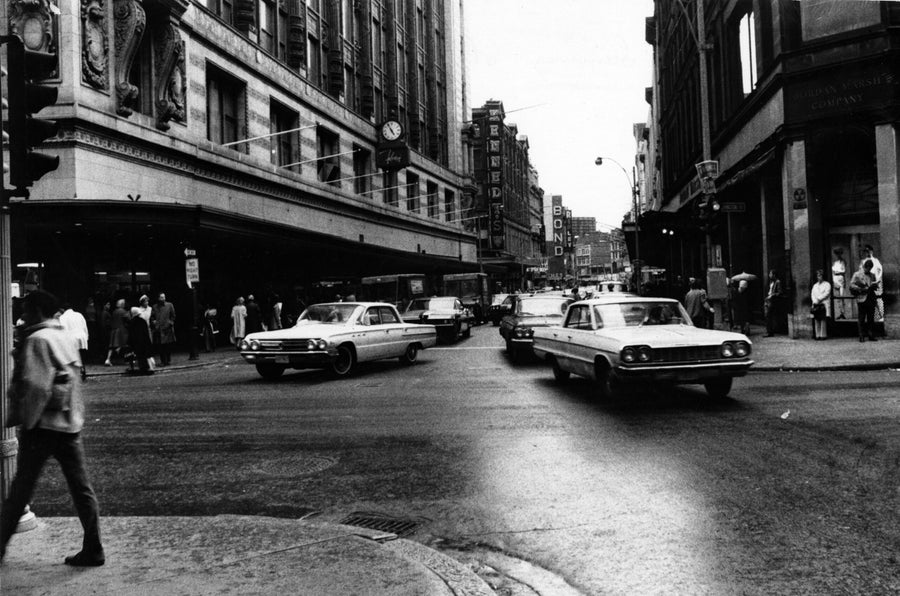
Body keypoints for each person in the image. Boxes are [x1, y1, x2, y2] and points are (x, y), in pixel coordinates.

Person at [1, 290, 105, 567]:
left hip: (43, 427)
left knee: (20, 491)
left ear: (36, 310)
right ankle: (94, 548)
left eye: (25, 310)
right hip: (69, 425)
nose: (22, 316)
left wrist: (27, 421)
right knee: (82, 489)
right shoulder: (64, 336)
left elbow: (37, 388)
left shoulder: (38, 339)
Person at [58, 303, 90, 381]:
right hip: (82, 336)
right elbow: (84, 326)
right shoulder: (79, 315)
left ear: (62, 309)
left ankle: (75, 372)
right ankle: (82, 370)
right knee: (81, 354)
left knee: (73, 355)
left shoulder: (63, 317)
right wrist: (86, 336)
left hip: (72, 337)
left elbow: (64, 329)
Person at [851, 259, 878, 342]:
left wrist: (875, 286)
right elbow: (851, 285)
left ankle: (871, 335)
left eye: (870, 268)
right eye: (867, 268)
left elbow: (874, 286)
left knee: (871, 318)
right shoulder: (857, 274)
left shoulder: (872, 275)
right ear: (864, 267)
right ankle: (861, 336)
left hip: (871, 298)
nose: (868, 270)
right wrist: (860, 288)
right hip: (862, 298)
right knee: (861, 318)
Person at [151, 293, 176, 366]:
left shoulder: (169, 305)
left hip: (167, 328)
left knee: (167, 345)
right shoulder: (155, 307)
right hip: (159, 328)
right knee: (161, 346)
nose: (163, 299)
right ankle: (163, 361)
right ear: (158, 298)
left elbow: (173, 315)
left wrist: (170, 323)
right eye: (162, 297)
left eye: (164, 297)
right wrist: (154, 322)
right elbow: (152, 316)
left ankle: (168, 360)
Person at [127, 307, 154, 374]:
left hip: (136, 342)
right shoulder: (143, 321)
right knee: (147, 355)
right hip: (144, 340)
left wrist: (130, 342)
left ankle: (138, 368)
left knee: (139, 355)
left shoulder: (132, 322)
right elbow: (146, 332)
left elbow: (131, 333)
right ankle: (150, 368)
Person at [860, 245, 883, 322]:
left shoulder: (875, 260)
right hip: (867, 282)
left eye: (869, 251)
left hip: (874, 281)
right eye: (866, 252)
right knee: (868, 299)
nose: (867, 253)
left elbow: (881, 269)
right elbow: (861, 271)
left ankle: (880, 315)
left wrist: (878, 279)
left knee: (877, 298)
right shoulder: (863, 261)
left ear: (871, 251)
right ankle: (874, 316)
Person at [104, 299, 129, 366]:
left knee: (112, 346)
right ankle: (126, 358)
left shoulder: (114, 311)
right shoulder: (124, 312)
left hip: (114, 330)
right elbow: (127, 320)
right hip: (122, 331)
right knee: (124, 344)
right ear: (123, 304)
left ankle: (108, 359)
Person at [810, 269, 831, 340]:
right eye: (818, 276)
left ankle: (823, 335)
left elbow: (827, 293)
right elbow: (812, 294)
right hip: (816, 304)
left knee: (823, 319)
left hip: (823, 304)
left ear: (823, 276)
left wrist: (819, 299)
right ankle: (817, 335)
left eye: (820, 276)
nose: (819, 277)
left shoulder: (827, 284)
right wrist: (815, 301)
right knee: (816, 319)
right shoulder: (815, 285)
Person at [765, 269, 784, 337]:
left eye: (770, 274)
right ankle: (769, 331)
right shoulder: (771, 282)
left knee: (768, 316)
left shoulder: (778, 282)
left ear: (774, 275)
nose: (769, 275)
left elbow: (780, 292)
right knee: (767, 316)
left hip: (773, 301)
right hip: (769, 300)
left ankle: (770, 332)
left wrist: (772, 295)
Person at [831, 248, 847, 320]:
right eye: (837, 254)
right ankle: (840, 313)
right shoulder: (835, 263)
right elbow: (833, 272)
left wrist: (838, 272)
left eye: (839, 253)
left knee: (841, 296)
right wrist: (833, 280)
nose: (838, 255)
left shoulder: (843, 262)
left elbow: (843, 271)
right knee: (838, 298)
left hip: (841, 279)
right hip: (835, 279)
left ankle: (843, 313)